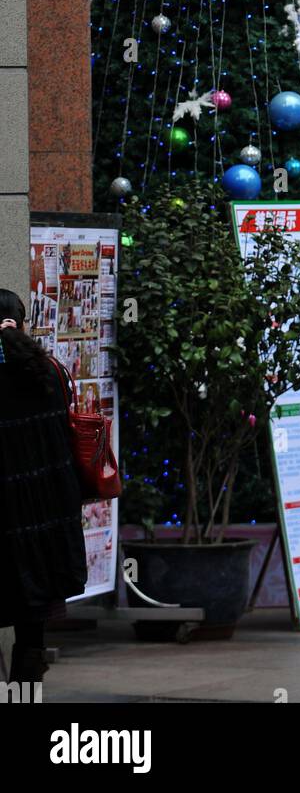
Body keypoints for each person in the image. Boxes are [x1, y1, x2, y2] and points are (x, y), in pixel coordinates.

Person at [0, 288, 87, 686]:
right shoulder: (50, 370)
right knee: (31, 620)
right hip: (47, 512)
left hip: (7, 512)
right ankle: (24, 696)